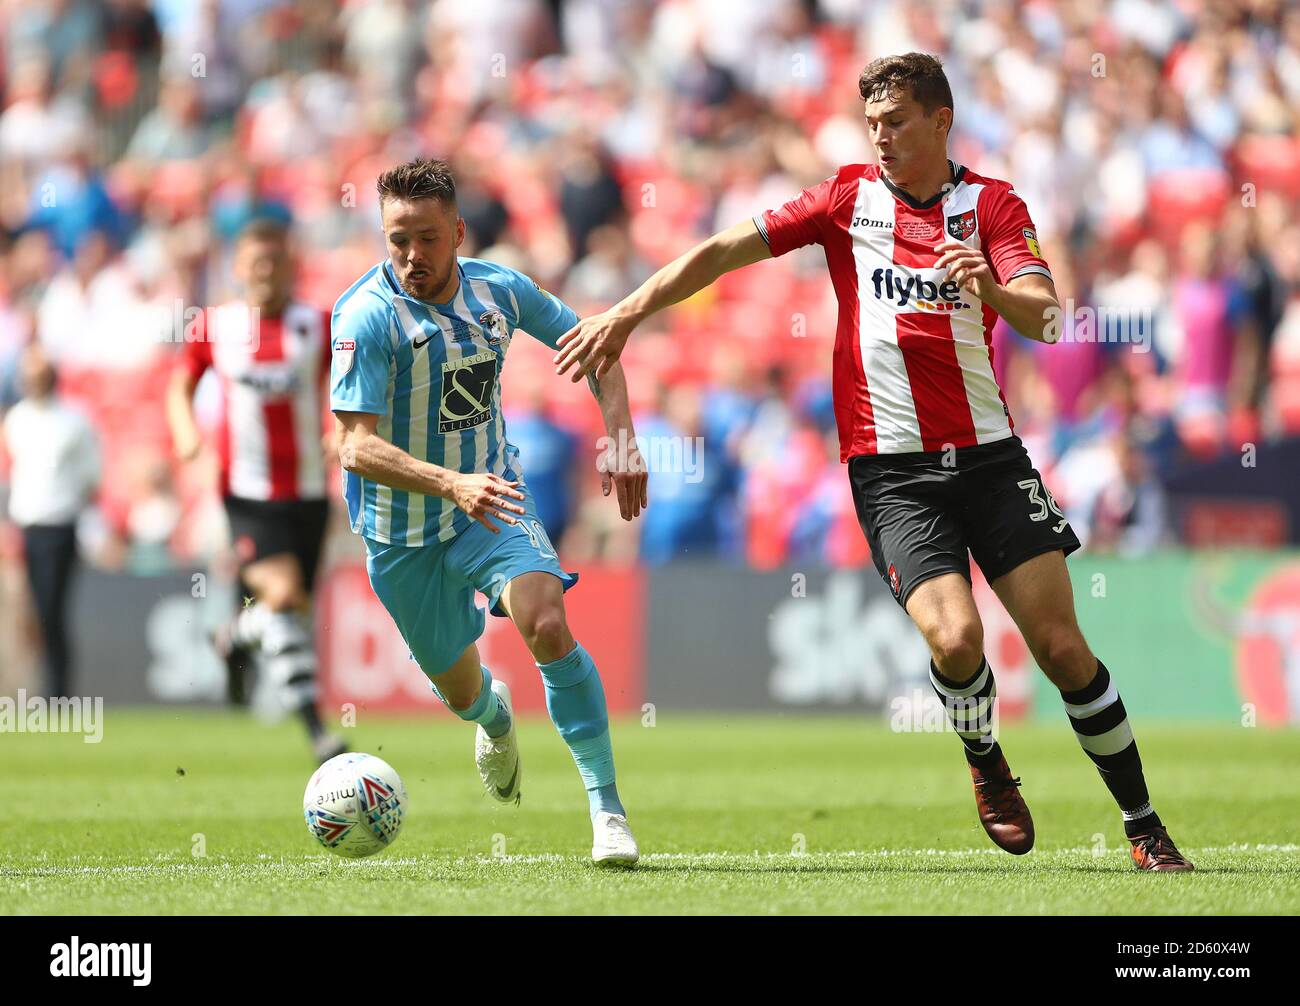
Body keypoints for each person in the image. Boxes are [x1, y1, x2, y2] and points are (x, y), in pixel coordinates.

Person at [554, 53, 1193, 872]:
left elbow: (1047, 317)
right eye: (873, 124)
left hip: (993, 461)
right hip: (893, 474)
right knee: (957, 640)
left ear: (940, 120)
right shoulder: (844, 197)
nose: (881, 137)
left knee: (1064, 651)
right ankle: (987, 762)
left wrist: (989, 291)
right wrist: (629, 312)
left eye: (896, 121)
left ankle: (1144, 826)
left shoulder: (994, 206)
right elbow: (722, 248)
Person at [331, 158, 649, 866]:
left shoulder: (499, 292)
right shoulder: (364, 316)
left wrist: (621, 439)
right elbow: (354, 447)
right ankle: (491, 715)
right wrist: (450, 483)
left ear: (459, 232)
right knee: (462, 690)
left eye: (428, 238)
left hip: (491, 502)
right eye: (398, 240)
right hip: (401, 535)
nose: (413, 256)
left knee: (545, 620)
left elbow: (599, 351)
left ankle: (607, 810)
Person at [166, 213, 345, 764]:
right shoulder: (215, 326)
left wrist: (342, 427)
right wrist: (186, 432)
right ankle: (319, 734)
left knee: (294, 611)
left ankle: (232, 636)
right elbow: (181, 382)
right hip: (245, 493)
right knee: (284, 598)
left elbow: (354, 381)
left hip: (310, 493)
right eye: (255, 263)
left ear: (292, 265)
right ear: (239, 269)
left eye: (276, 261)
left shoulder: (318, 324)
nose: (266, 272)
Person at [3, 345, 99, 698]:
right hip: (26, 528)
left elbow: (91, 476)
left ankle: (57, 694)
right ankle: (35, 691)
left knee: (52, 611)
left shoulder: (74, 420)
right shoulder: (17, 420)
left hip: (59, 526)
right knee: (31, 614)